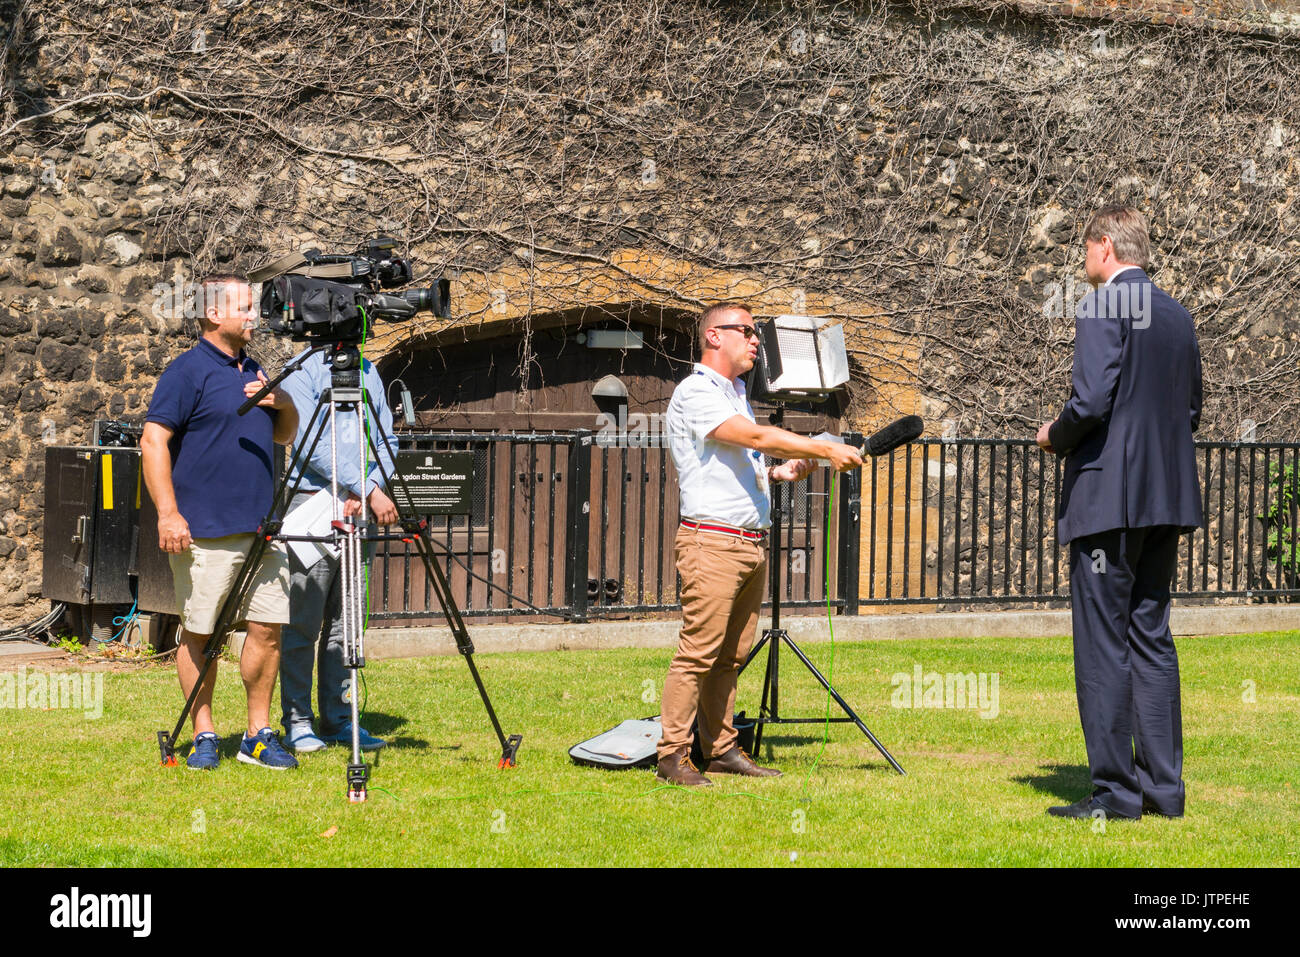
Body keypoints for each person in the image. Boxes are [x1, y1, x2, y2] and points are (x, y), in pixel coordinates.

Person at [1036, 205, 1203, 820]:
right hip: (1166, 501)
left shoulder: (1106, 304)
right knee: (1152, 638)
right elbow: (1189, 412)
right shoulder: (1179, 315)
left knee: (1104, 644)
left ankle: (1114, 794)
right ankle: (1164, 791)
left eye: (1085, 249)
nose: (1084, 262)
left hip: (1109, 504)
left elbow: (1091, 401)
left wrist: (1055, 434)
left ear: (1104, 246)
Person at [657, 303, 864, 786]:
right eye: (745, 331)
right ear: (713, 336)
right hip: (713, 543)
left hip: (748, 543)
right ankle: (671, 756)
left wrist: (779, 471)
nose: (755, 340)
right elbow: (749, 435)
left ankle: (721, 749)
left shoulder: (735, 393)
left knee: (729, 657)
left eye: (754, 332)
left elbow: (735, 460)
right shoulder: (697, 390)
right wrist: (821, 445)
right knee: (699, 653)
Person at [141, 274, 300, 770]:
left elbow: (284, 436)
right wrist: (168, 513)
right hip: (204, 531)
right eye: (245, 306)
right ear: (214, 314)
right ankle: (204, 733)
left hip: (262, 530)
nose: (255, 314)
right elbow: (152, 441)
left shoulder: (254, 369)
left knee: (269, 629)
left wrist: (284, 403)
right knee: (200, 634)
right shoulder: (186, 372)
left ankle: (258, 734)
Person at [276, 348, 399, 753]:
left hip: (361, 507)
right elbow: (308, 440)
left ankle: (339, 719)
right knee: (302, 621)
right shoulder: (303, 369)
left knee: (347, 624)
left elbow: (386, 438)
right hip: (312, 504)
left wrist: (372, 486)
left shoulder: (369, 371)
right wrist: (363, 487)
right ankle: (297, 720)